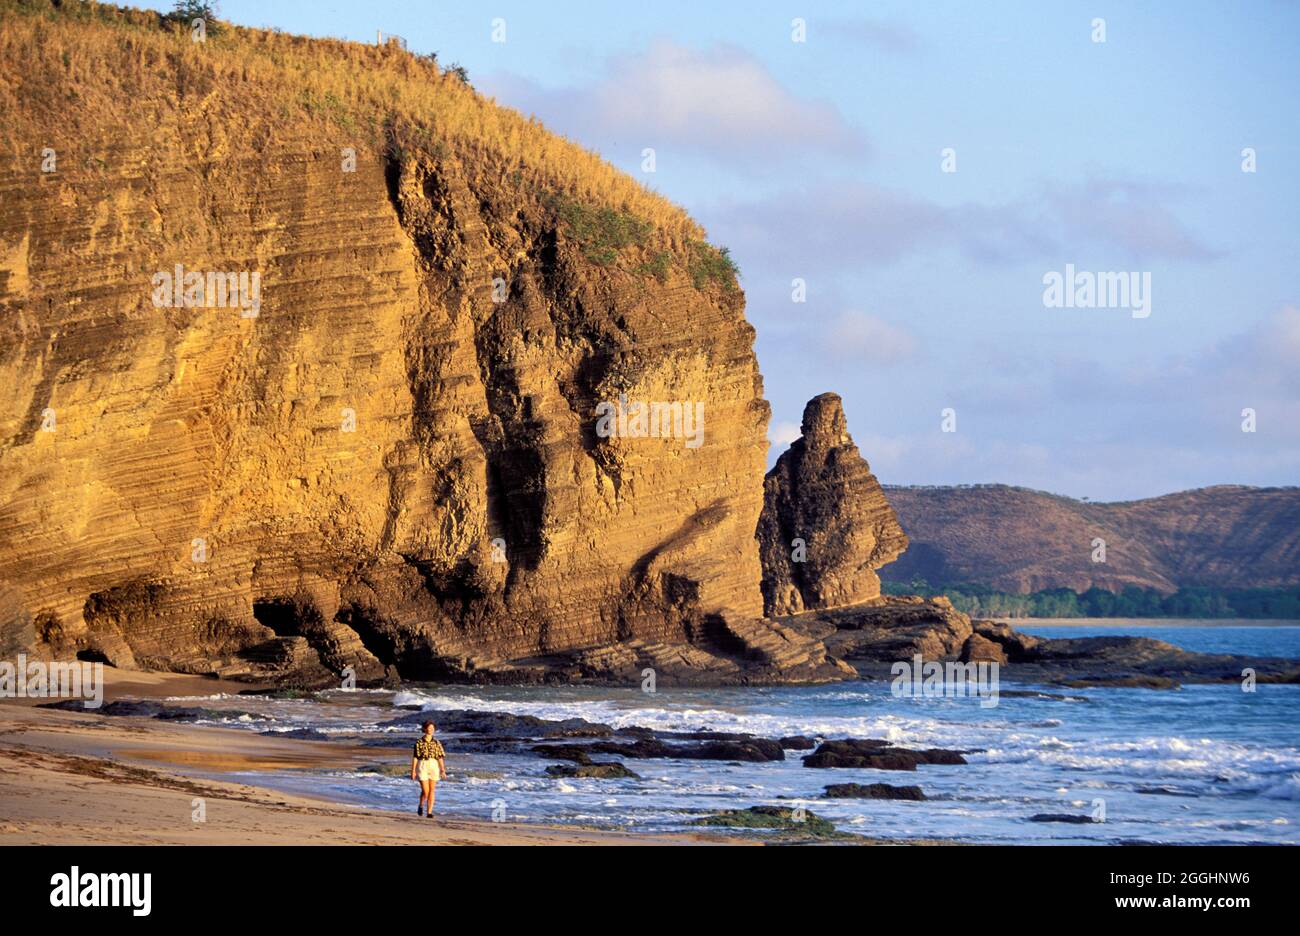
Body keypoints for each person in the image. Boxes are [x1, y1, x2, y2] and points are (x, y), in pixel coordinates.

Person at [411, 720, 448, 818]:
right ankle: (421, 805)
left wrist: (442, 770)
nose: (431, 730)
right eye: (429, 728)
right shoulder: (419, 742)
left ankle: (429, 812)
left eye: (432, 728)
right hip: (422, 764)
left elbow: (440, 757)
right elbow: (415, 757)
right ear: (424, 729)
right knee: (425, 791)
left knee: (432, 790)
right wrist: (413, 771)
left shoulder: (436, 742)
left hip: (433, 764)